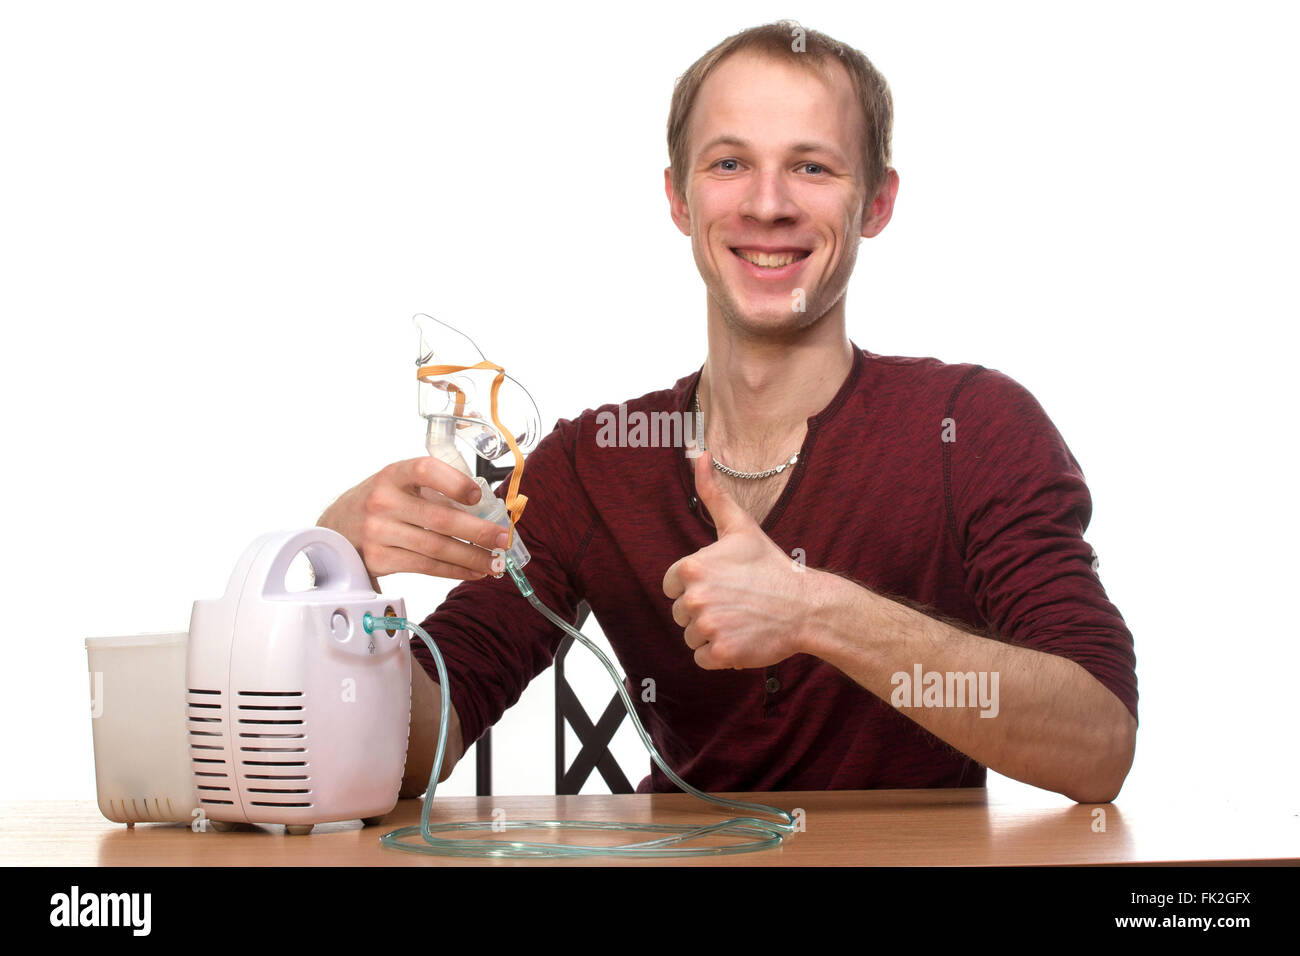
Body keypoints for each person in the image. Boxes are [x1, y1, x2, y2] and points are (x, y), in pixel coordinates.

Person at [319, 21, 1137, 804]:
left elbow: (1099, 743)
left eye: (813, 167)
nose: (768, 204)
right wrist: (335, 579)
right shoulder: (593, 464)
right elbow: (419, 746)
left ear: (878, 204)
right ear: (678, 200)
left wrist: (817, 609)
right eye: (729, 165)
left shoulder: (974, 428)